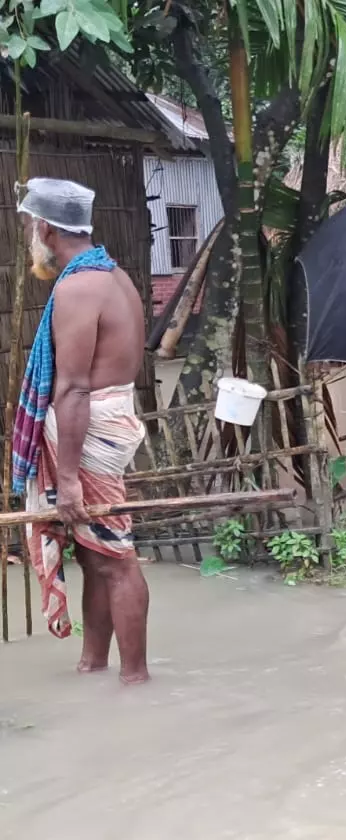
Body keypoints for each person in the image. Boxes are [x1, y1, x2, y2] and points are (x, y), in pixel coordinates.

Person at [12, 178, 150, 684]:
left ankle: (135, 680)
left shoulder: (77, 286)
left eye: (30, 225)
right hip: (108, 420)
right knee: (97, 556)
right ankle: (93, 665)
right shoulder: (114, 275)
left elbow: (72, 389)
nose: (31, 234)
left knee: (116, 557)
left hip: (91, 430)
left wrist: (67, 478)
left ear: (45, 228)